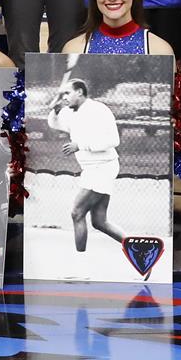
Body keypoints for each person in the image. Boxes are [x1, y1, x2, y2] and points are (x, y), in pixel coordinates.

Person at [49, 75, 129, 257]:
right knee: (99, 222)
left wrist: (80, 145)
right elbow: (55, 124)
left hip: (103, 167)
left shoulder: (98, 110)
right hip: (91, 170)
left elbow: (113, 140)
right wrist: (55, 110)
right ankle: (136, 247)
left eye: (68, 93)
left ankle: (80, 263)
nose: (65, 97)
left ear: (80, 92)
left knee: (77, 213)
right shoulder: (70, 112)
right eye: (63, 94)